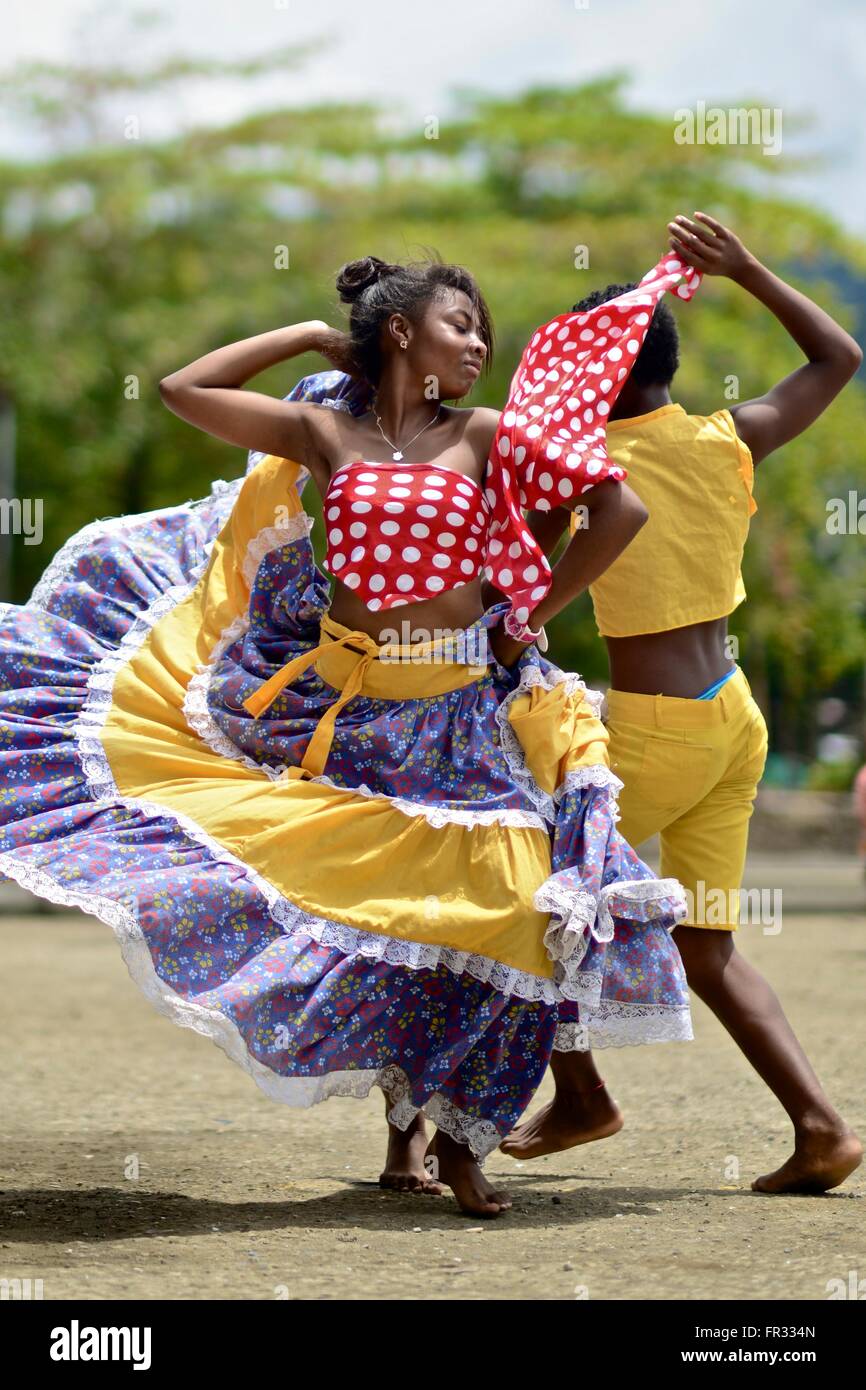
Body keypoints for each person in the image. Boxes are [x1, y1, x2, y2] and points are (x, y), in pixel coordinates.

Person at [0, 249, 696, 1218]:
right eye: (462, 323)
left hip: (456, 716)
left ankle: (460, 1138)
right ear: (402, 331)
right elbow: (180, 388)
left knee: (510, 905)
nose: (481, 343)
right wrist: (310, 337)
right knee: (386, 911)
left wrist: (528, 610)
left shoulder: (487, 434)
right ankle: (408, 1133)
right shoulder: (324, 430)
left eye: (485, 332)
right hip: (350, 714)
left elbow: (617, 506)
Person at [501, 213, 864, 1195]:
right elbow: (838, 356)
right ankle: (822, 1127)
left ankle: (579, 1095)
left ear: (586, 374)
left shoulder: (581, 464)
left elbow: (517, 554)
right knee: (707, 944)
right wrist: (744, 267)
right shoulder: (726, 436)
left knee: (514, 897)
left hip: (649, 730)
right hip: (730, 718)